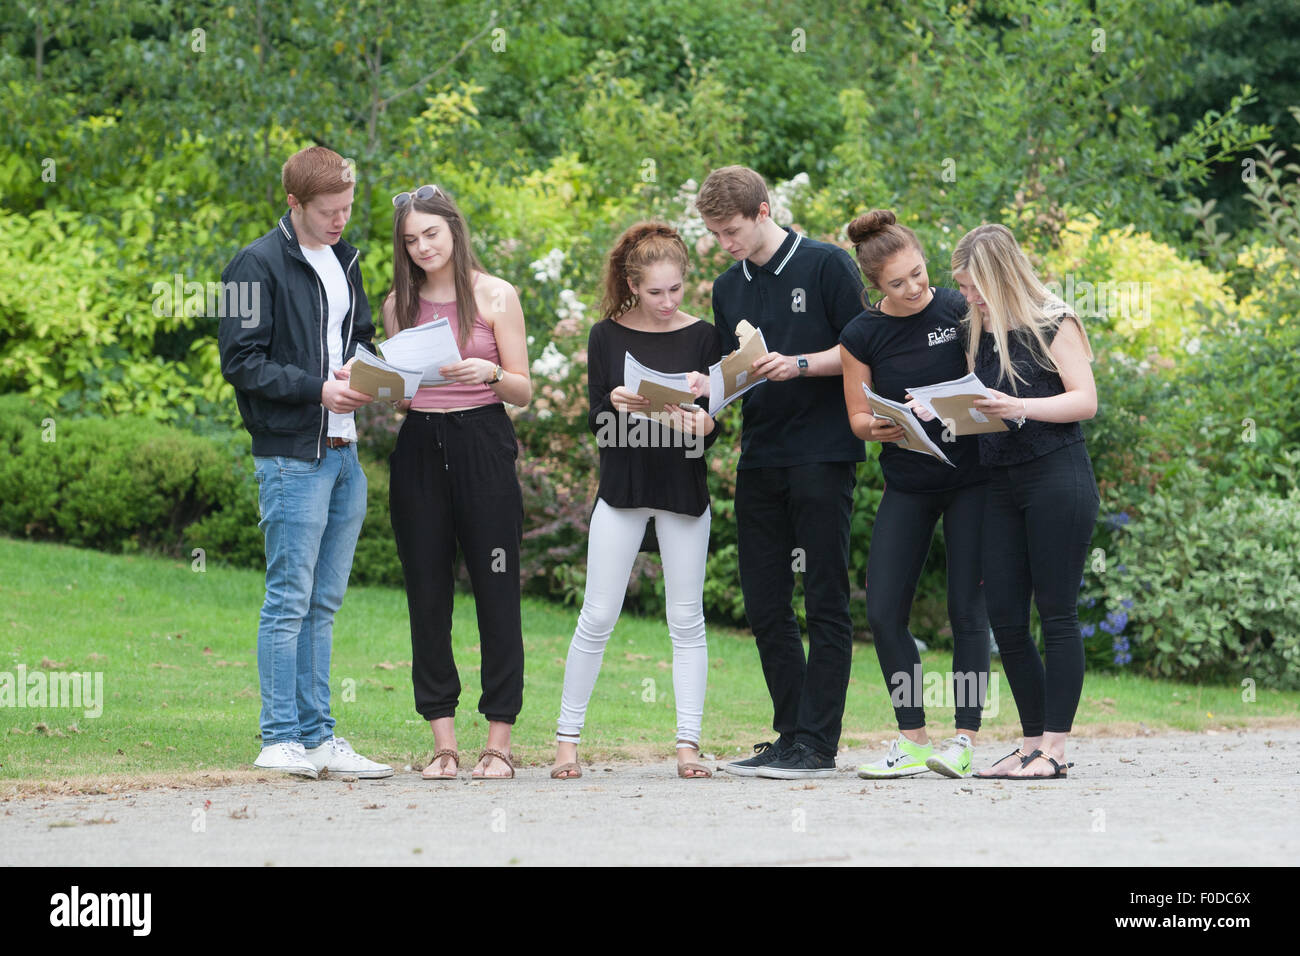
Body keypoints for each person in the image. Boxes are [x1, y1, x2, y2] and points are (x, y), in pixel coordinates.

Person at [219, 145, 392, 779]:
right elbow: (241, 362)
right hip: (292, 456)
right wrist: (318, 387)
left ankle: (320, 737)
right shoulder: (252, 265)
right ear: (294, 204)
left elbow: (361, 334)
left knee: (323, 604)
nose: (341, 220)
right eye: (328, 211)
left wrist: (372, 372)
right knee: (288, 600)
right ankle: (279, 737)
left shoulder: (346, 258)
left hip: (345, 452)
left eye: (347, 207)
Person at [696, 166, 866, 779]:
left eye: (731, 230)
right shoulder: (726, 285)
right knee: (766, 603)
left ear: (764, 211)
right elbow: (731, 369)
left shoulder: (826, 265)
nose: (724, 243)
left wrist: (800, 364)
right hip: (760, 456)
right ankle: (790, 734)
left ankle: (819, 744)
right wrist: (705, 388)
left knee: (823, 599)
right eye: (714, 233)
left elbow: (864, 345)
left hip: (823, 453)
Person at [551, 223, 723, 781]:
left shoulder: (705, 336)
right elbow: (597, 425)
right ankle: (566, 743)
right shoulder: (605, 336)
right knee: (597, 614)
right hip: (623, 490)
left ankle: (688, 747)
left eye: (676, 289)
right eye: (655, 292)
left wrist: (703, 422)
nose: (668, 302)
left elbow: (715, 425)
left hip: (682, 491)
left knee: (686, 620)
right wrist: (619, 407)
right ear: (632, 283)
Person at [383, 184, 531, 780]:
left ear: (454, 229)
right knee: (427, 594)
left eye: (431, 234)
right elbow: (398, 400)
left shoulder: (496, 294)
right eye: (411, 240)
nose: (422, 247)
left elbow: (523, 390)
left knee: (497, 592)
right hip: (420, 444)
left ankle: (498, 741)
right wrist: (386, 385)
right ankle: (442, 741)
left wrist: (490, 370)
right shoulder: (399, 304)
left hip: (483, 444)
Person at [838, 210, 991, 779]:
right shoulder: (861, 334)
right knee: (882, 611)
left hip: (972, 479)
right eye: (897, 283)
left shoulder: (957, 307)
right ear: (876, 286)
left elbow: (989, 382)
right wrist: (872, 426)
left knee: (966, 610)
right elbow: (856, 412)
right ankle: (913, 739)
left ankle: (965, 740)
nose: (913, 289)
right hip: (909, 479)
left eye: (918, 274)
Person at [947, 223, 1099, 780]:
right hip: (1000, 483)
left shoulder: (1055, 321)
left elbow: (1084, 401)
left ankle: (1055, 749)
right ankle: (1031, 740)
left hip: (1056, 476)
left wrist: (1018, 408)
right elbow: (984, 406)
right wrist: (942, 410)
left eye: (973, 287)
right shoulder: (981, 330)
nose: (967, 298)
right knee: (1006, 618)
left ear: (998, 276)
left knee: (1056, 612)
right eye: (963, 288)